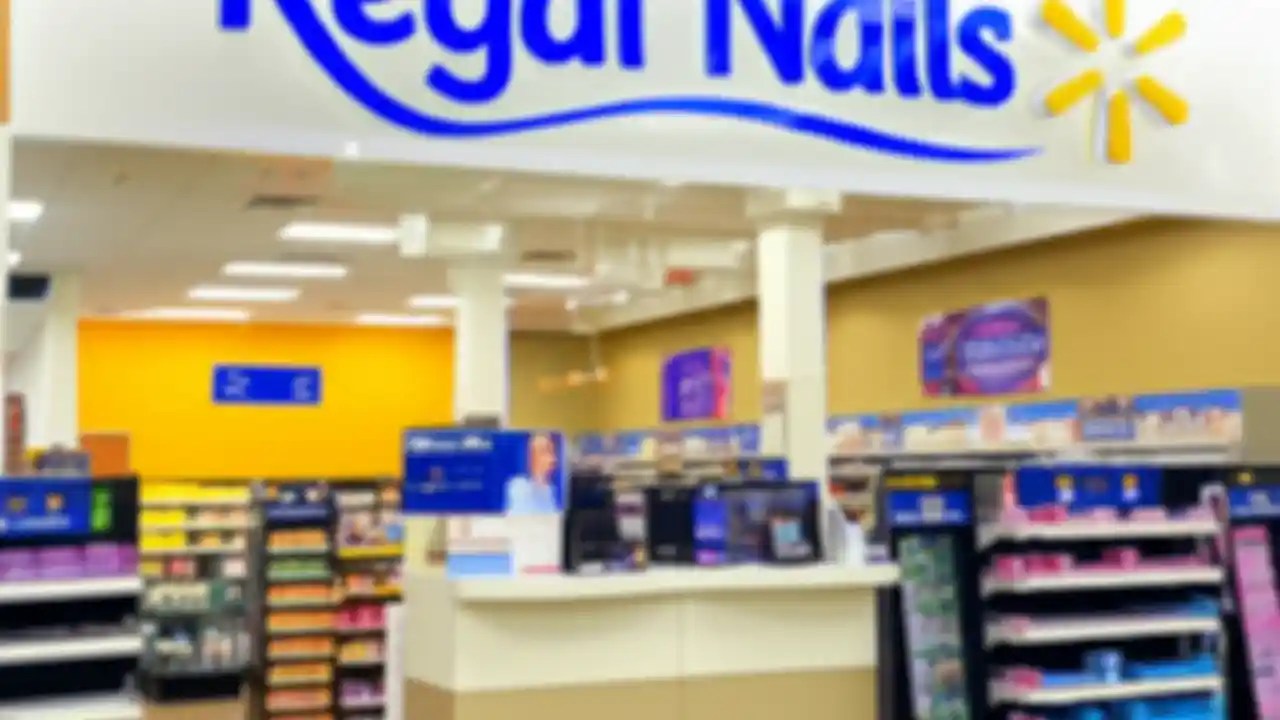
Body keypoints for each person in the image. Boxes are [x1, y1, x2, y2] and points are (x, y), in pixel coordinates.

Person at [504, 433, 560, 515]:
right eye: (544, 452)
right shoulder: (518, 487)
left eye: (552, 452)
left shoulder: (550, 490)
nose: (553, 459)